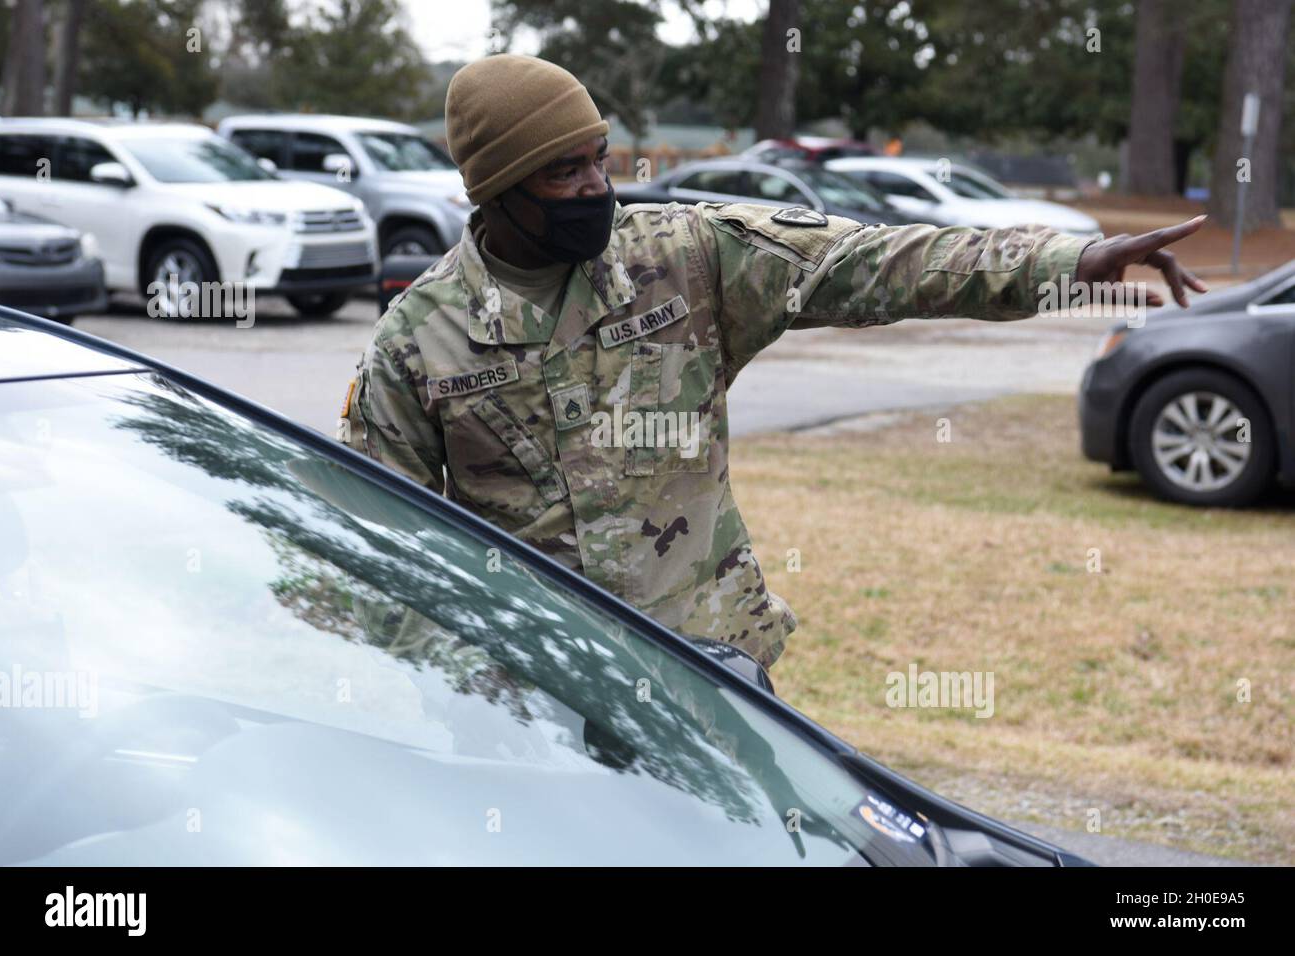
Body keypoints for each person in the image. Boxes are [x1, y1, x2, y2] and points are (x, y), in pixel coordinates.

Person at [339, 54, 1206, 670]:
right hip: (540, 694)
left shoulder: (684, 256)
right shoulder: (419, 340)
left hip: (713, 672)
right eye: (563, 173)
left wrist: (1069, 263)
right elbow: (387, 552)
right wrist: (464, 688)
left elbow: (876, 262)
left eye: (599, 159)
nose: (597, 187)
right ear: (496, 188)